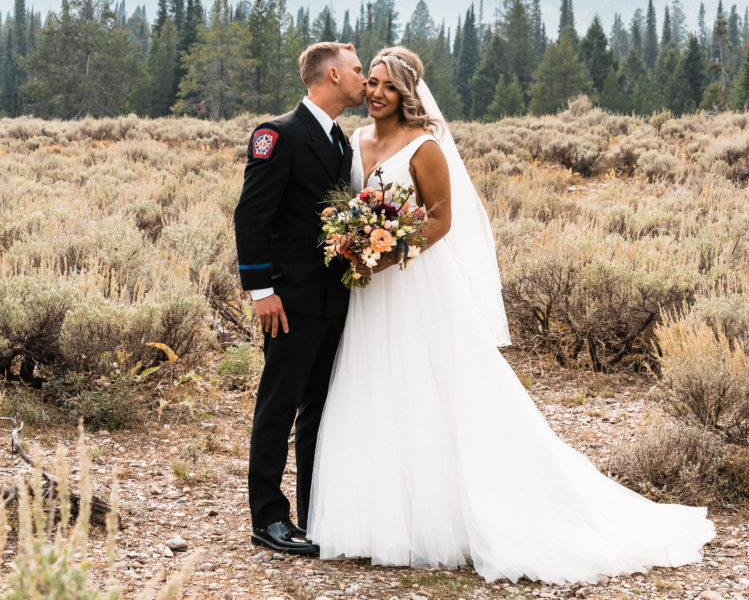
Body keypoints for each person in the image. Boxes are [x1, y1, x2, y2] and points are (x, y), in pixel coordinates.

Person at [307, 45, 715, 584]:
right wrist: (355, 246)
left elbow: (443, 219)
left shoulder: (424, 147)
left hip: (411, 283)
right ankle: (380, 518)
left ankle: (447, 518)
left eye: (386, 85)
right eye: (371, 82)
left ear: (406, 93)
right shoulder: (356, 141)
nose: (375, 92)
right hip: (367, 291)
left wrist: (390, 253)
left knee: (434, 386)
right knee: (376, 385)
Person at [234, 41, 366, 557]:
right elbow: (251, 216)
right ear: (332, 75)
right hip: (287, 302)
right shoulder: (278, 135)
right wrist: (260, 290)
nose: (364, 81)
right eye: (358, 71)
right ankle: (268, 518)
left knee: (318, 411)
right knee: (278, 407)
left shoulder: (340, 140)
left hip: (334, 301)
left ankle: (314, 511)